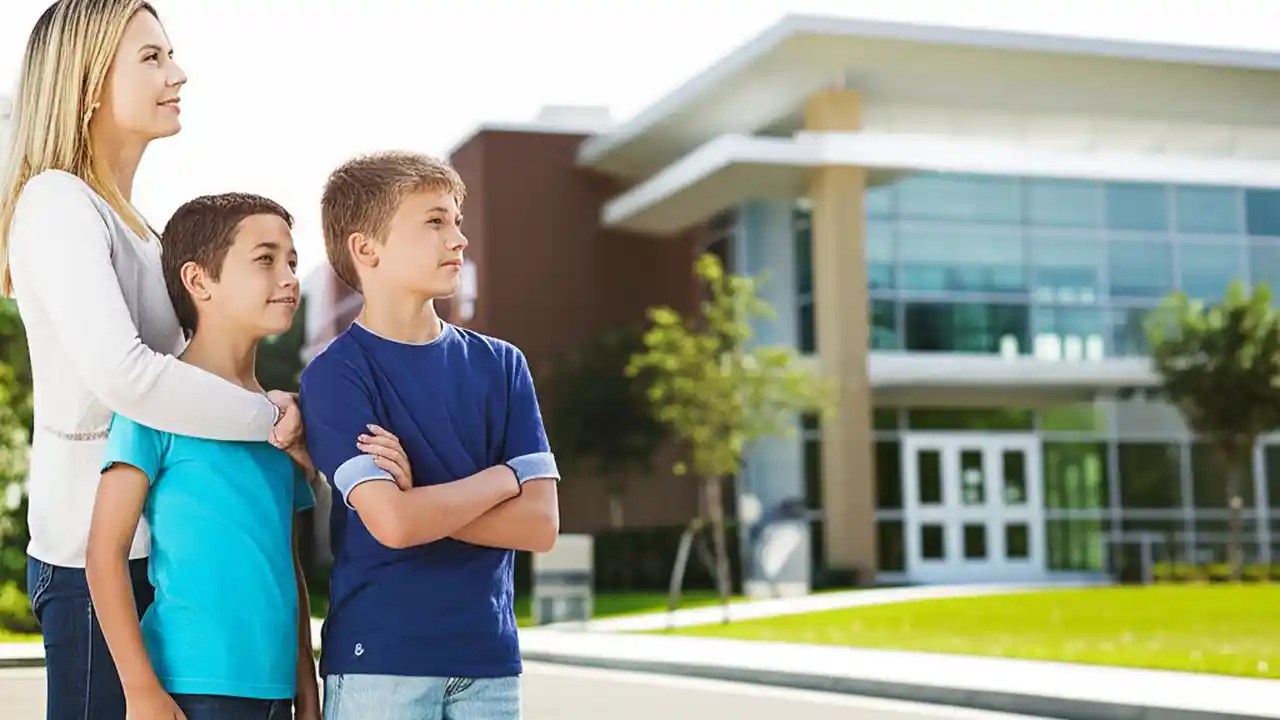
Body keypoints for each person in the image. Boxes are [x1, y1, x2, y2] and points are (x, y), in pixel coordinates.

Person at [0, 3, 303, 717]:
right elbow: (128, 376)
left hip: (157, 553)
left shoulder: (140, 225)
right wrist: (273, 420)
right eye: (152, 58)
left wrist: (276, 402)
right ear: (87, 83)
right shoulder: (55, 202)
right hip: (88, 558)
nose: (178, 73)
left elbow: (192, 378)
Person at [299, 151, 561, 720]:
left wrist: (421, 498)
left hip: (489, 662)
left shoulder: (502, 365)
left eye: (458, 222)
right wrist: (501, 477)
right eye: (435, 222)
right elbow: (393, 525)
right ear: (367, 249)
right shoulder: (335, 375)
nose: (459, 239)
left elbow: (539, 526)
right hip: (380, 665)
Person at [86, 193, 321, 720]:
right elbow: (104, 554)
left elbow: (287, 565)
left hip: (275, 692)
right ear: (199, 281)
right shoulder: (153, 406)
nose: (287, 276)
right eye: (265, 259)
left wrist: (305, 688)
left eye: (291, 261)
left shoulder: (279, 424)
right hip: (189, 688)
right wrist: (140, 689)